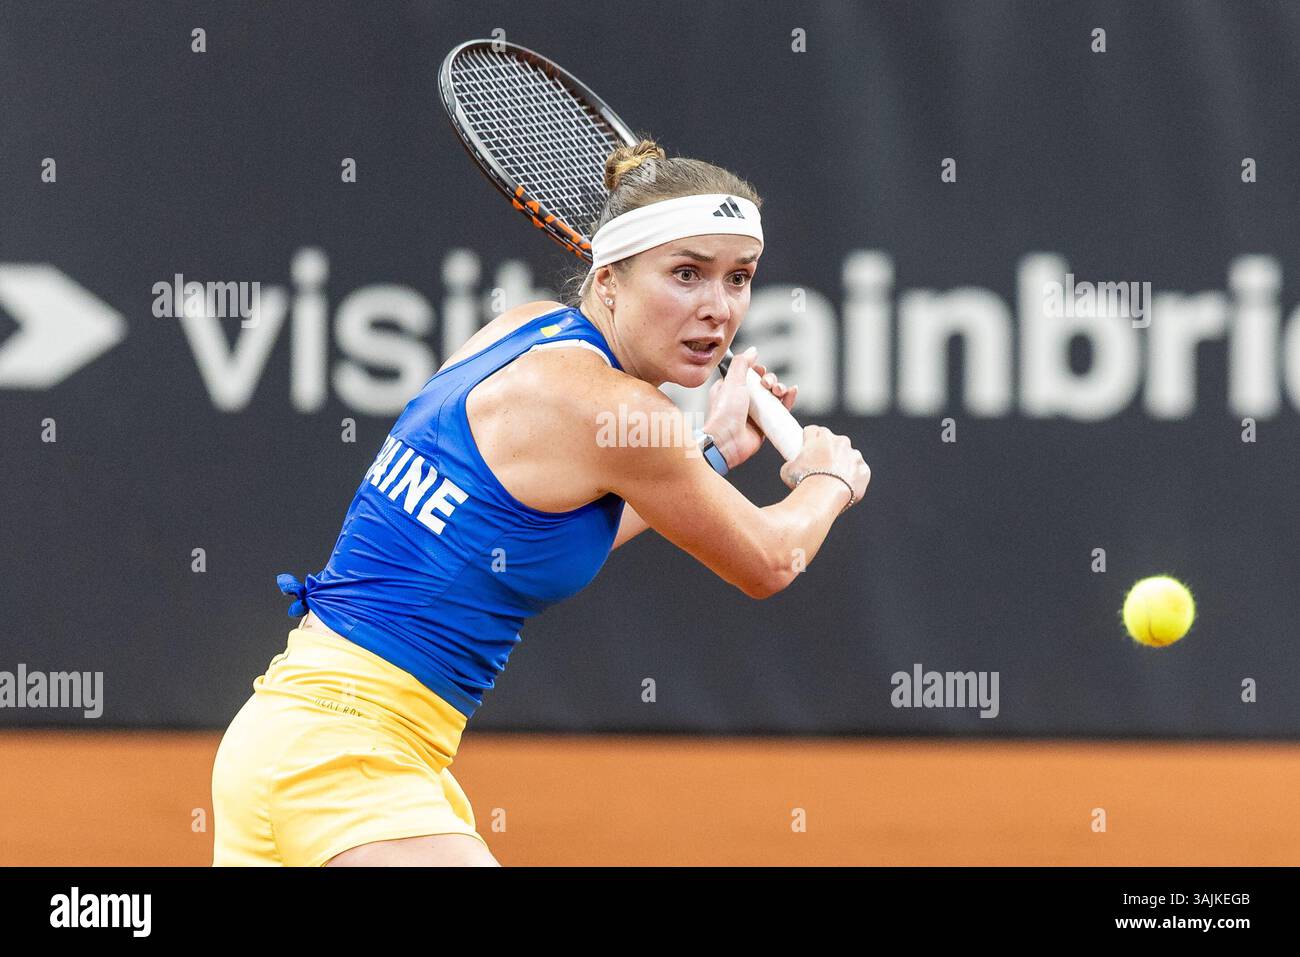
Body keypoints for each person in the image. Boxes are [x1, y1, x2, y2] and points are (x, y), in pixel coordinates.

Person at [210, 138, 871, 867]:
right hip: (345, 761)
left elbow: (530, 529)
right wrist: (827, 479)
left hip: (287, 735)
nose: (718, 308)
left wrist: (706, 452)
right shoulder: (622, 413)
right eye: (686, 274)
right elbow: (769, 561)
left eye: (738, 277)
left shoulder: (522, 328)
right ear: (609, 278)